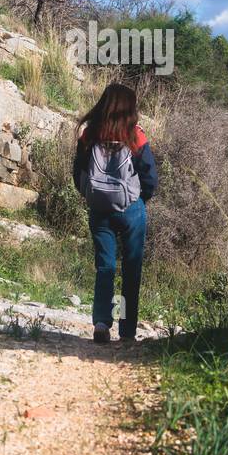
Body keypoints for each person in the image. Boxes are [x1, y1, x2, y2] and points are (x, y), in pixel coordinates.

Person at [73, 82, 158, 343]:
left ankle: (101, 323)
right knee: (131, 268)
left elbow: (78, 174)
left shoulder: (89, 134)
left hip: (99, 210)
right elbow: (150, 177)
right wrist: (138, 200)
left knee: (105, 266)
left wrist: (92, 196)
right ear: (129, 107)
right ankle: (127, 331)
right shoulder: (136, 136)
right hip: (131, 209)